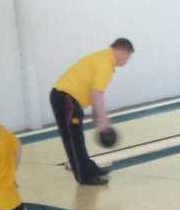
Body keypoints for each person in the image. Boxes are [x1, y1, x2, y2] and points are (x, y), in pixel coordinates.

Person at [50, 38, 133, 186]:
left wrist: (97, 117)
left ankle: (89, 168)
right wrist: (104, 121)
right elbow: (97, 94)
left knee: (75, 137)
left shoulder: (103, 58)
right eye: (128, 57)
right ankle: (85, 177)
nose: (127, 61)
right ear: (123, 51)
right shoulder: (105, 64)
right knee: (74, 138)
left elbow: (95, 92)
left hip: (66, 98)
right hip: (66, 97)